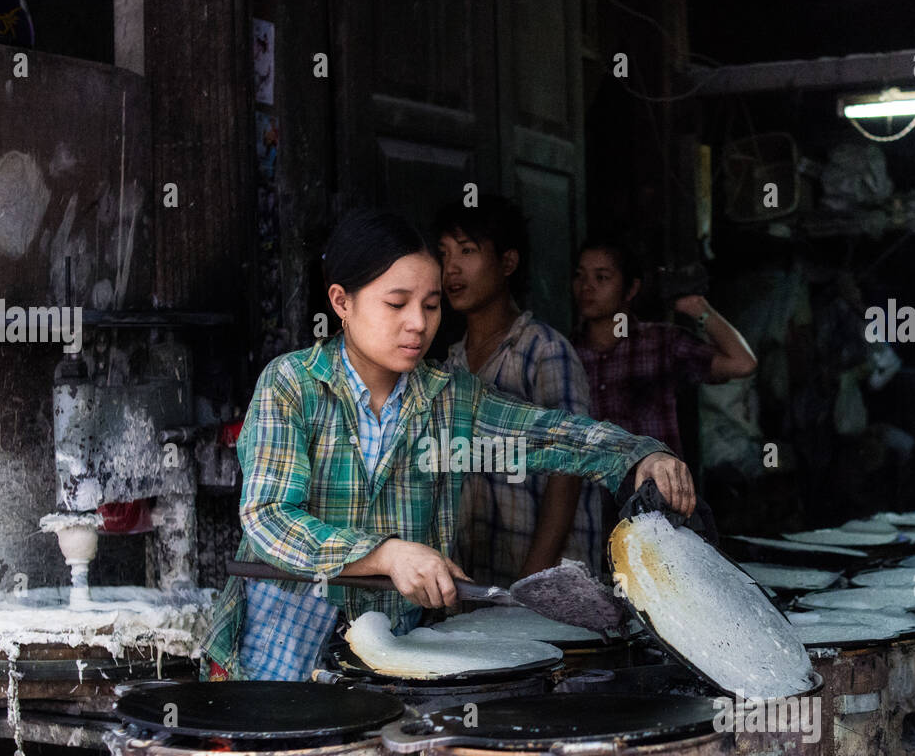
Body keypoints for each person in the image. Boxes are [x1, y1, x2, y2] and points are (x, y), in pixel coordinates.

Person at [203, 210, 696, 681]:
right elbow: (269, 516)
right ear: (341, 302)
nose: (418, 322)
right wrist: (387, 556)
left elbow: (549, 433)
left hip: (395, 649)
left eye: (431, 304)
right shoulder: (292, 384)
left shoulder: (449, 397)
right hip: (284, 637)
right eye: (397, 304)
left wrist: (638, 454)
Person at [435, 196, 603, 585]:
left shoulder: (544, 350)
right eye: (443, 254)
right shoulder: (452, 364)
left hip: (546, 587)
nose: (451, 268)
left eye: (468, 251)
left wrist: (533, 581)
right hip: (482, 584)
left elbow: (569, 468)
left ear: (507, 263)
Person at [571, 239, 759, 459]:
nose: (586, 286)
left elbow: (743, 363)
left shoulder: (660, 343)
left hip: (651, 490)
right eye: (579, 275)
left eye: (601, 277)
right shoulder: (565, 353)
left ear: (631, 288)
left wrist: (698, 307)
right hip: (591, 491)